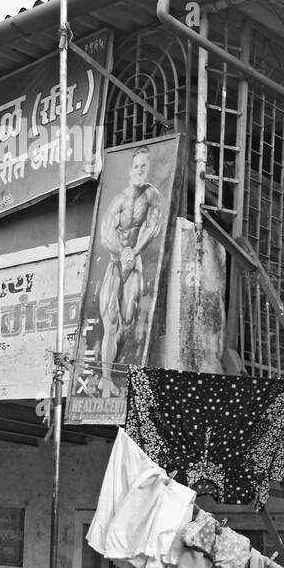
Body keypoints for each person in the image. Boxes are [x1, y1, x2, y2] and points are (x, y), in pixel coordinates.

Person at [95, 146, 163, 396]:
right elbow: (106, 232)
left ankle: (113, 363)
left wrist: (133, 252)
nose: (140, 170)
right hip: (116, 263)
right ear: (130, 169)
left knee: (128, 318)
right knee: (110, 320)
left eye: (144, 166)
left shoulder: (151, 195)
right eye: (136, 166)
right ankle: (106, 379)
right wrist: (121, 251)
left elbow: (153, 226)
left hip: (135, 262)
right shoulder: (119, 200)